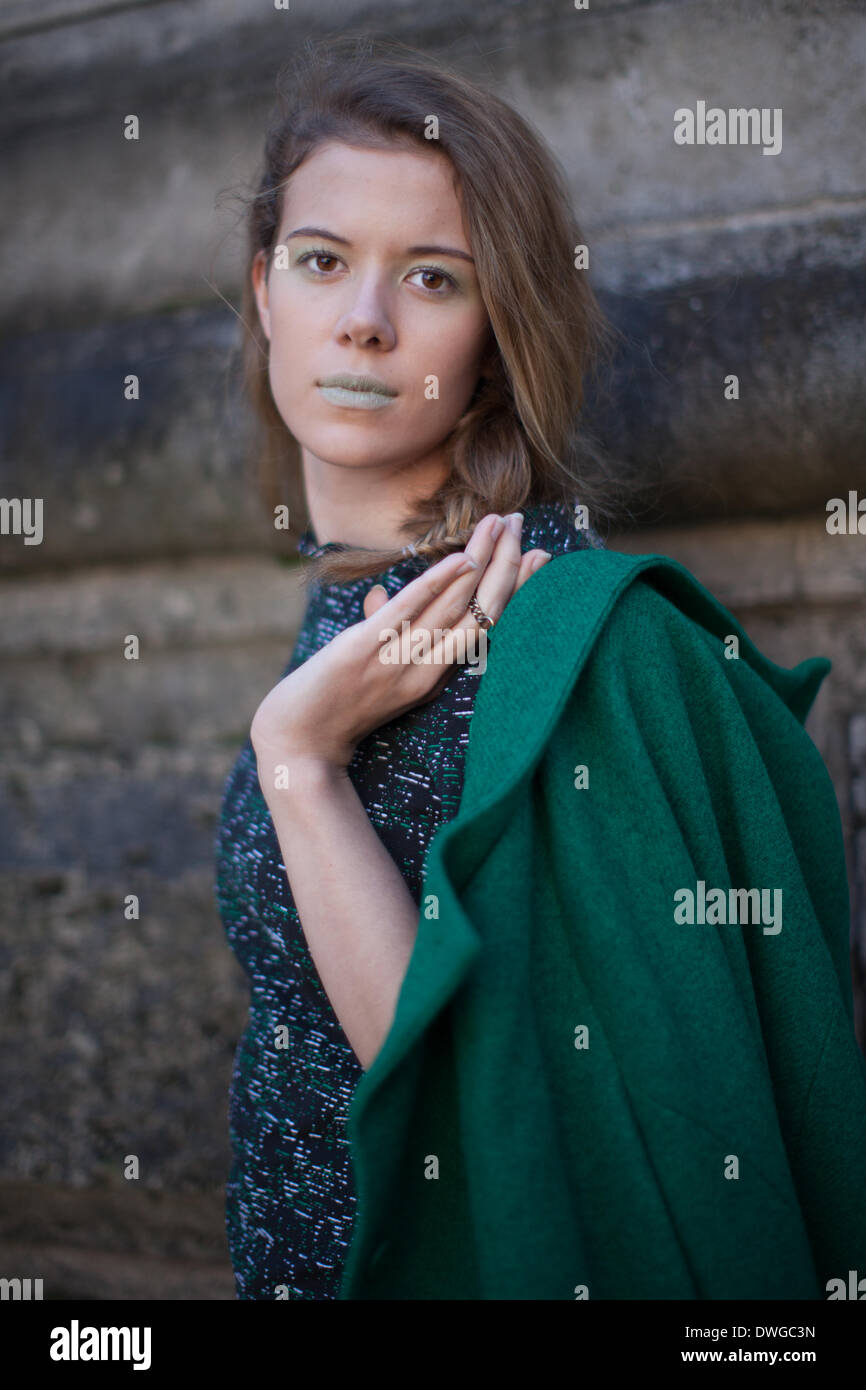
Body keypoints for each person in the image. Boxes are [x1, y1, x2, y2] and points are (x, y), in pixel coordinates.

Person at [214, 39, 866, 1301]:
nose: (363, 317)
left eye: (433, 277)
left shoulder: (558, 646)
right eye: (321, 260)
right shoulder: (354, 593)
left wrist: (301, 768)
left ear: (497, 332)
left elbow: (480, 1118)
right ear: (262, 287)